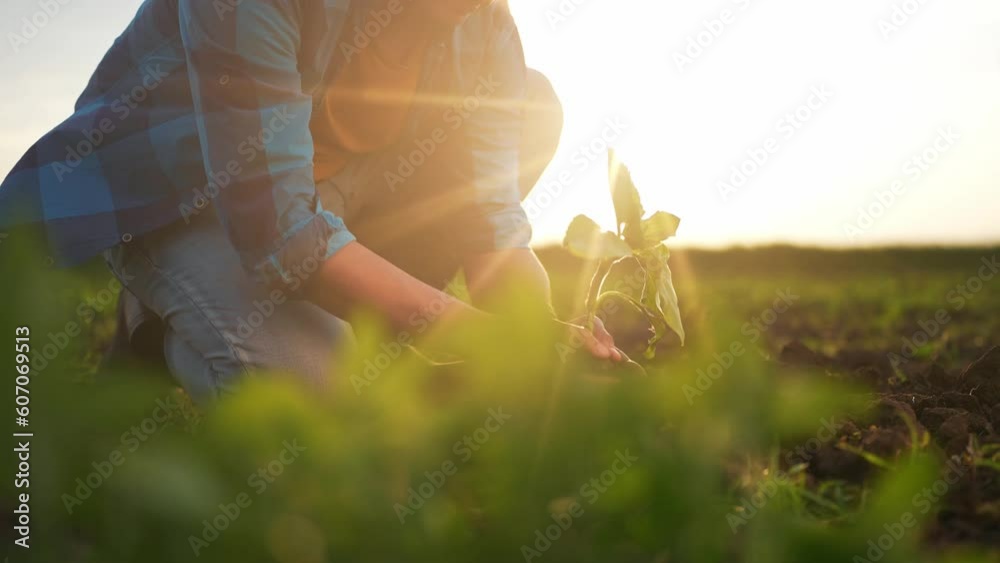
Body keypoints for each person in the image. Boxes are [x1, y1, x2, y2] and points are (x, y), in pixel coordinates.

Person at [0, 0, 624, 404]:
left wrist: (537, 337)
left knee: (529, 107)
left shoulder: (486, 26)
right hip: (185, 194)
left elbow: (493, 221)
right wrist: (478, 340)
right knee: (310, 401)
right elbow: (281, 233)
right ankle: (160, 311)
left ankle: (368, 332)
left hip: (324, 196)